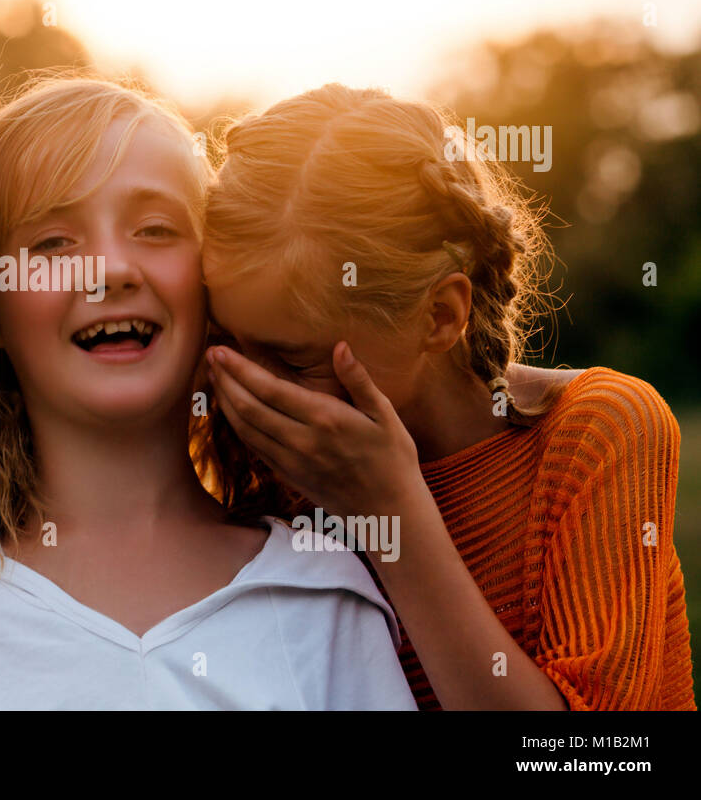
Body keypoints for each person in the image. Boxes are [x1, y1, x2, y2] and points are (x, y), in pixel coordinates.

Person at [0, 78, 417, 709]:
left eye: (153, 229)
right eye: (54, 244)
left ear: (211, 287)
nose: (111, 270)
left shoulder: (321, 593)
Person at [201, 83, 695, 710]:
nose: (251, 387)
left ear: (439, 314)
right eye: (227, 342)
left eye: (293, 359)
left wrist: (393, 516)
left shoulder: (597, 432)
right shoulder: (276, 480)